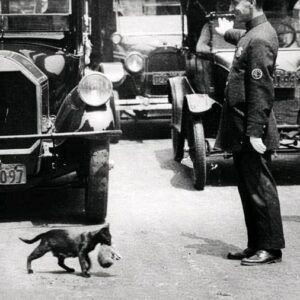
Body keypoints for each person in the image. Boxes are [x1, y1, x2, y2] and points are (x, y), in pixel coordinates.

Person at [214, 0, 285, 266]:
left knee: (260, 188)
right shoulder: (252, 34)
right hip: (243, 127)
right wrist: (225, 33)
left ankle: (271, 248)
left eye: (237, 2)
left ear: (253, 2)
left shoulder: (261, 39)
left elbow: (261, 90)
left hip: (251, 128)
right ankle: (256, 244)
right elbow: (244, 40)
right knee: (248, 188)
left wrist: (255, 132)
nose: (233, 7)